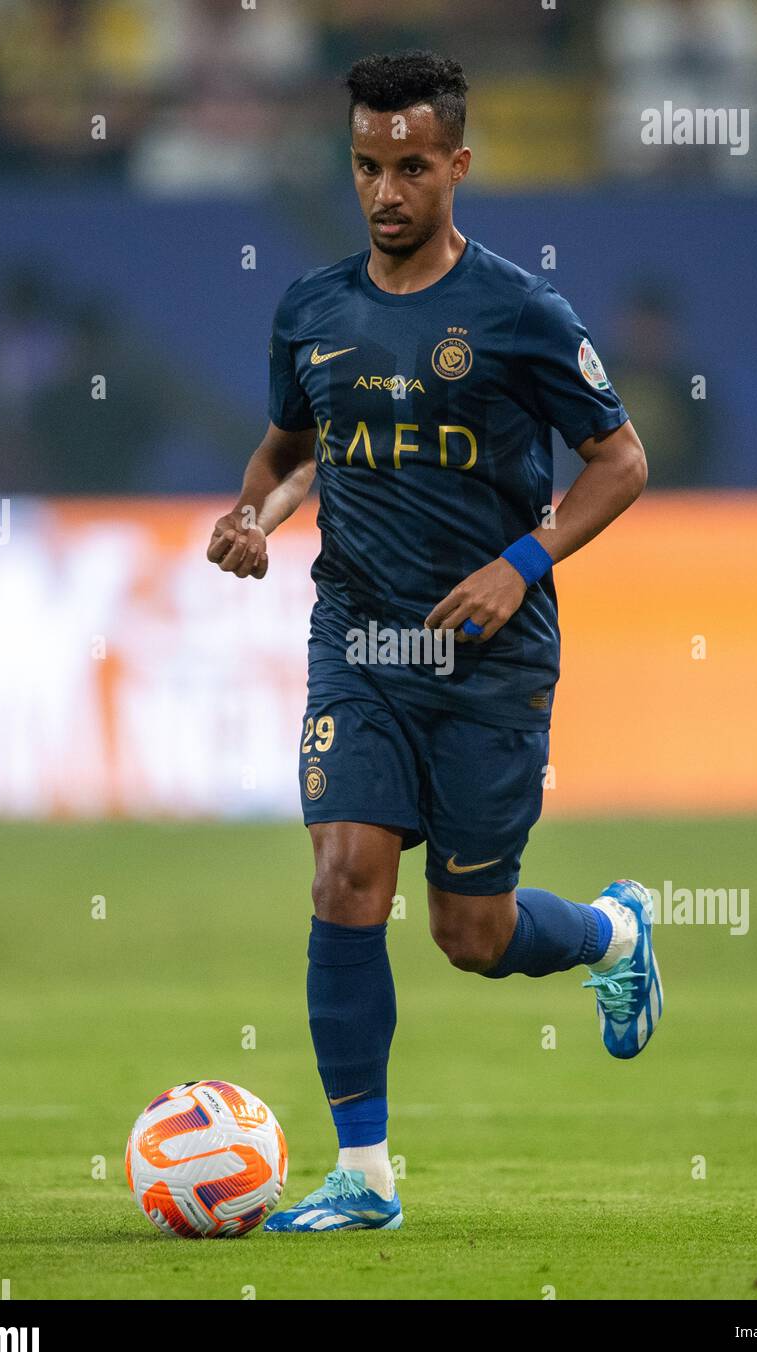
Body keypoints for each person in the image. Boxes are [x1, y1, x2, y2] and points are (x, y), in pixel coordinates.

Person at [207, 50, 662, 1234]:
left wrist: (522, 563)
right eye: (366, 167)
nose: (385, 191)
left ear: (457, 165)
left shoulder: (519, 312)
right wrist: (251, 516)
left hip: (488, 662)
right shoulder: (312, 307)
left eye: (411, 166)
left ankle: (612, 931)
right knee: (344, 876)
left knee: (470, 931)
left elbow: (619, 462)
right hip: (356, 640)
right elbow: (294, 452)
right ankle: (364, 1175)